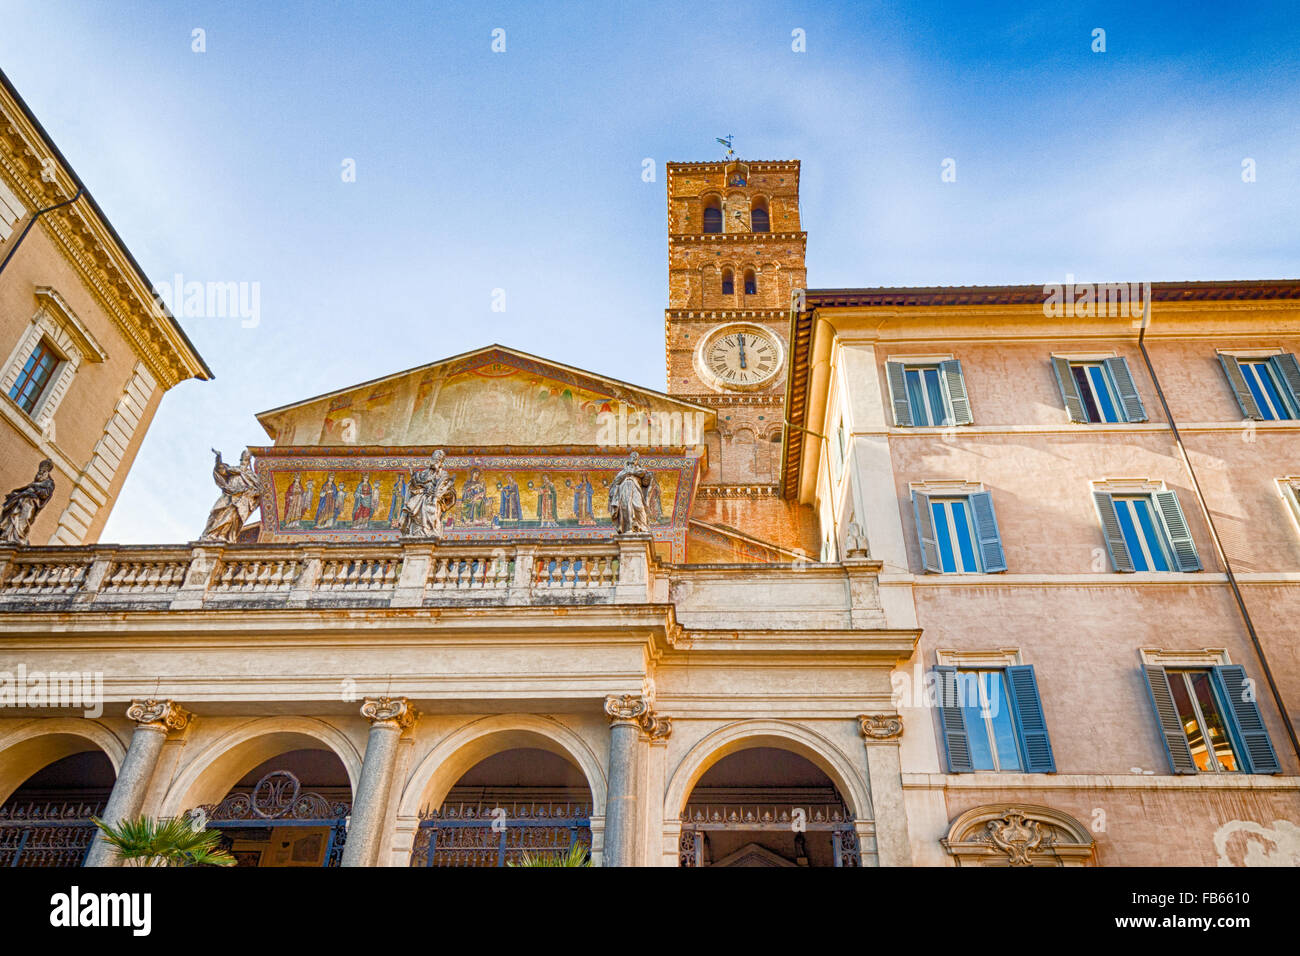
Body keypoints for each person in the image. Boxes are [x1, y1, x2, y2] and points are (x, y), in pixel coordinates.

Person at [200, 449, 260, 543]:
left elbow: (258, 491)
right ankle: (213, 535)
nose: (245, 459)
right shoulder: (232, 470)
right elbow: (221, 470)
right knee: (219, 514)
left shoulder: (251, 476)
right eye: (244, 456)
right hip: (229, 496)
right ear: (241, 458)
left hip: (242, 500)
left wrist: (250, 493)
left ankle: (224, 536)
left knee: (232, 518)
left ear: (249, 461)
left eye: (247, 457)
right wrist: (218, 459)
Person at [400, 450, 457, 538]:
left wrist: (439, 492)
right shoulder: (424, 473)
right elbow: (417, 482)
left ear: (441, 461)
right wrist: (413, 477)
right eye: (434, 457)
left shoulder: (443, 474)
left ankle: (430, 531)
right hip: (422, 497)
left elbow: (449, 491)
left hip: (434, 501)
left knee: (431, 512)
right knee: (416, 513)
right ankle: (418, 532)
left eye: (438, 458)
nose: (435, 460)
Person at [0, 459, 55, 545]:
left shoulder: (49, 483)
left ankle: (17, 536)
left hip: (32, 503)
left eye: (43, 471)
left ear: (47, 472)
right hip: (22, 500)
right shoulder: (35, 482)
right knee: (13, 514)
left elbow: (45, 494)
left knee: (25, 517)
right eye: (40, 470)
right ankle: (8, 535)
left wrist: (34, 488)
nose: (40, 472)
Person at [607, 452, 653, 534]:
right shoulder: (623, 471)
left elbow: (643, 475)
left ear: (637, 460)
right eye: (632, 456)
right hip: (625, 487)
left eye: (636, 457)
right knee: (626, 506)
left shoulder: (639, 470)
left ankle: (642, 526)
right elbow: (617, 480)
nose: (634, 458)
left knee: (639, 506)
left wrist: (631, 472)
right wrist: (626, 473)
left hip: (635, 487)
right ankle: (628, 527)